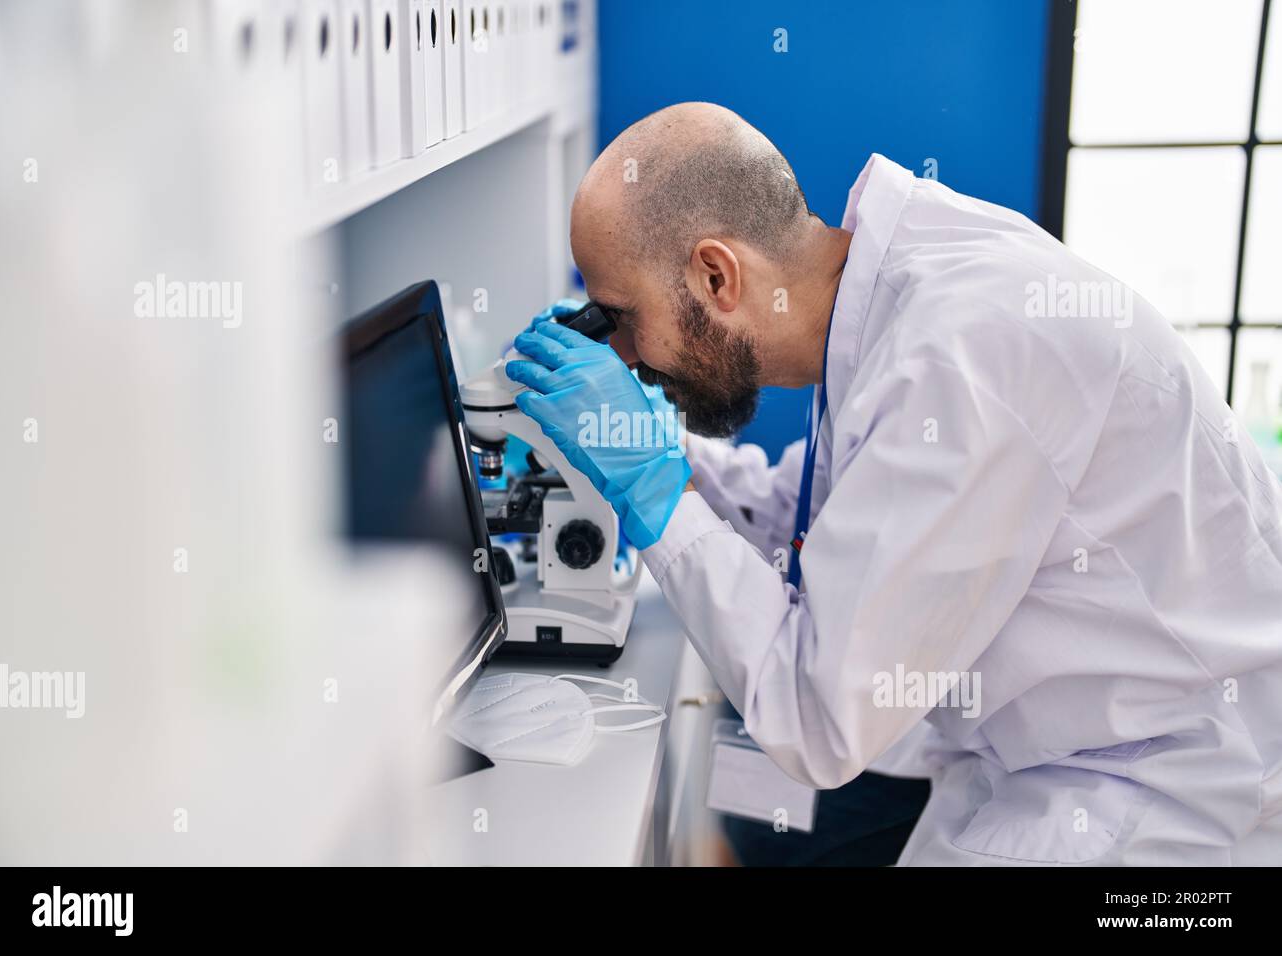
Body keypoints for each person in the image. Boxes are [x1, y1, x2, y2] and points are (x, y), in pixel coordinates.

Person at [504, 102, 1282, 866]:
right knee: (769, 830)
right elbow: (828, 513)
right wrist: (646, 448)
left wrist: (658, 493)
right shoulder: (884, 287)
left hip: (1169, 798)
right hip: (1040, 744)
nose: (628, 356)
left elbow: (818, 723)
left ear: (716, 274)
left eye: (621, 317)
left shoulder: (962, 353)